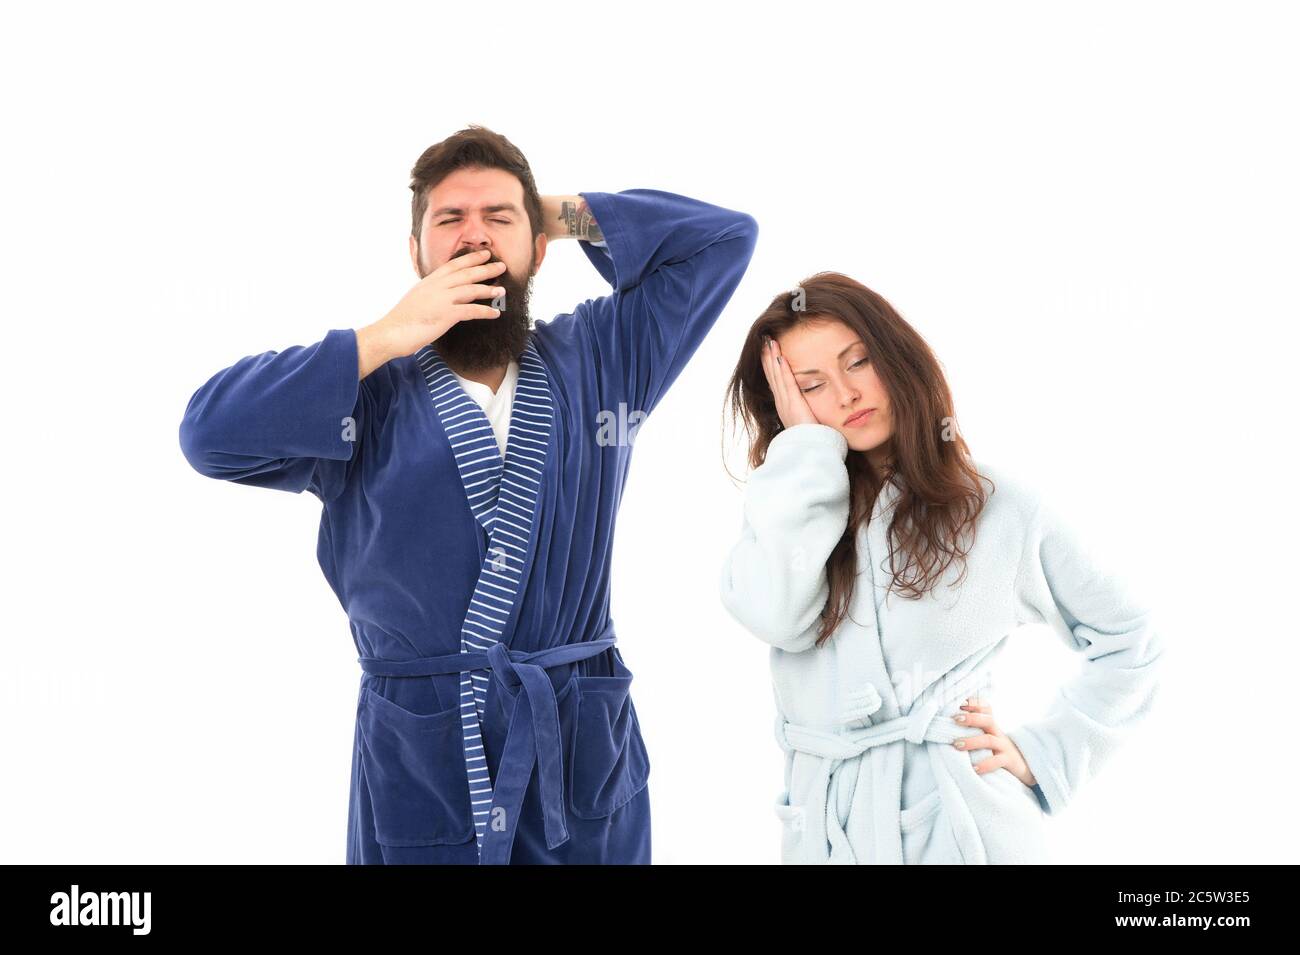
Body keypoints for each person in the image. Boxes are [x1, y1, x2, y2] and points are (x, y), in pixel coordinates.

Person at [179, 125, 758, 864]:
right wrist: (386, 334)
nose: (473, 237)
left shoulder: (601, 360)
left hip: (576, 746)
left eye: (499, 220)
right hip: (423, 755)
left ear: (540, 248)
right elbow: (208, 434)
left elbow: (723, 241)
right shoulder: (362, 395)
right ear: (415, 253)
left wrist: (553, 212)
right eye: (449, 221)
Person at [718, 272, 1163, 864]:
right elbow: (778, 618)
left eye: (858, 362)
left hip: (963, 828)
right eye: (812, 385)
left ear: (897, 357)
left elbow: (1132, 639)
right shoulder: (787, 518)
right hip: (827, 832)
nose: (847, 394)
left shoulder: (999, 506)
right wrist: (805, 457)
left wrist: (1047, 754)